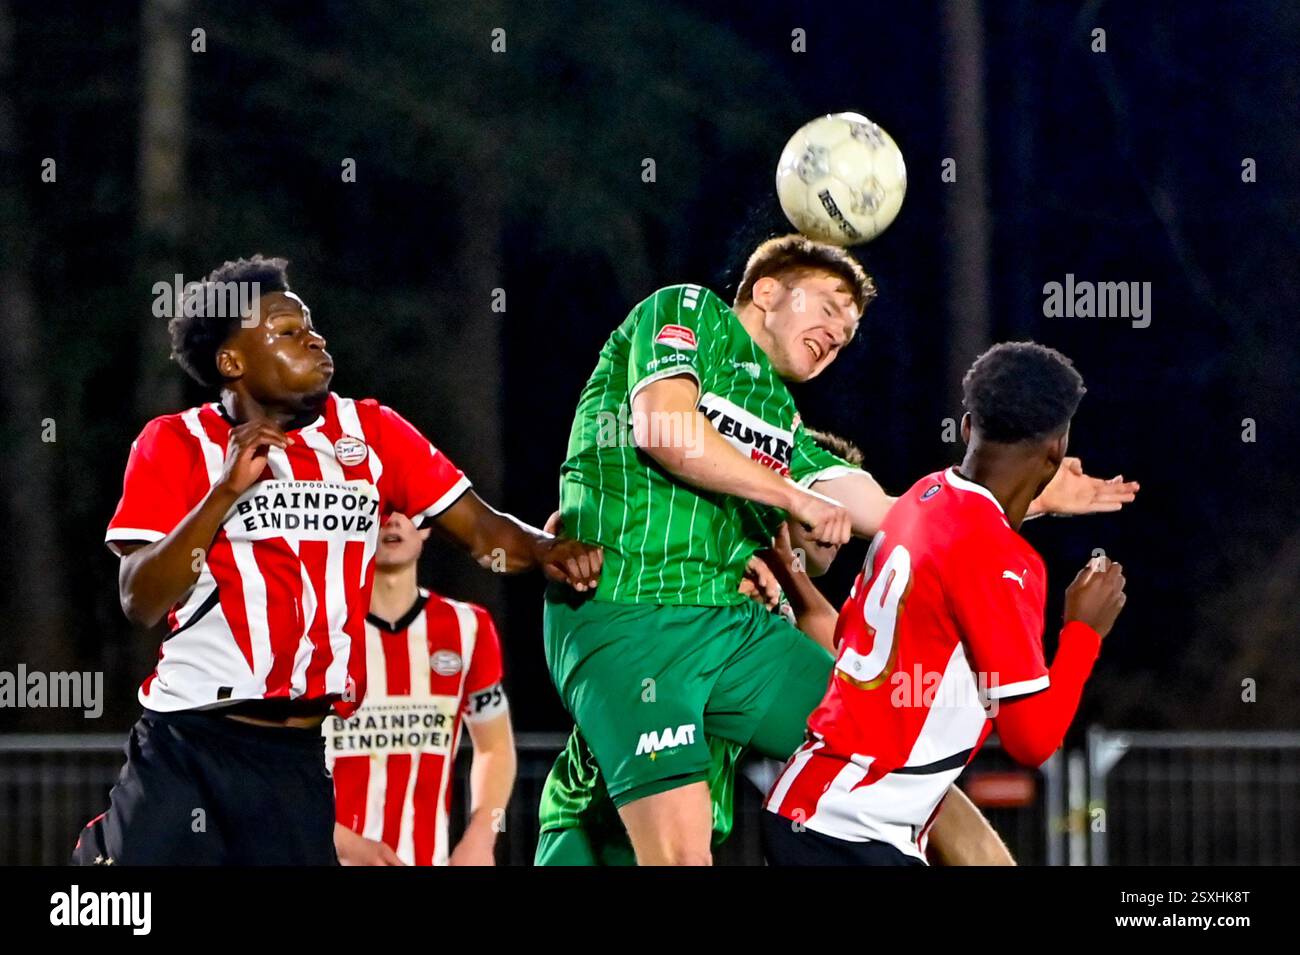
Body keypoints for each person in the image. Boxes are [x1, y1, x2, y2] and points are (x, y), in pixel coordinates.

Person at [547, 234, 1138, 865]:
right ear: (767, 292)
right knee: (679, 855)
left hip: (729, 630)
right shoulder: (688, 309)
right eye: (829, 306)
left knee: (891, 754)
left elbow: (902, 518)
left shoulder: (780, 421)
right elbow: (664, 428)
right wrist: (791, 498)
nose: (839, 333)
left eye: (851, 329)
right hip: (635, 613)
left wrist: (1032, 493)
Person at [75, 255, 599, 866]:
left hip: (294, 761)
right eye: (287, 331)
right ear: (232, 362)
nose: (314, 339)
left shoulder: (371, 431)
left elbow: (482, 531)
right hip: (188, 745)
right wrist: (223, 493)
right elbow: (139, 599)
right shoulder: (175, 441)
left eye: (312, 327)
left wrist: (545, 549)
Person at [763, 341, 1127, 865]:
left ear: (964, 427)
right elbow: (1031, 740)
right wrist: (1082, 632)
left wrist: (1039, 501)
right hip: (852, 833)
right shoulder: (1006, 563)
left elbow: (862, 626)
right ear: (1057, 445)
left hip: (819, 811)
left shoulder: (924, 496)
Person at [329, 513, 516, 867]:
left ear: (428, 524)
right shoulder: (320, 629)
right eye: (380, 507)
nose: (392, 521)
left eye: (406, 509)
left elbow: (494, 746)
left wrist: (480, 840)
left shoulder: (468, 628)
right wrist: (342, 842)